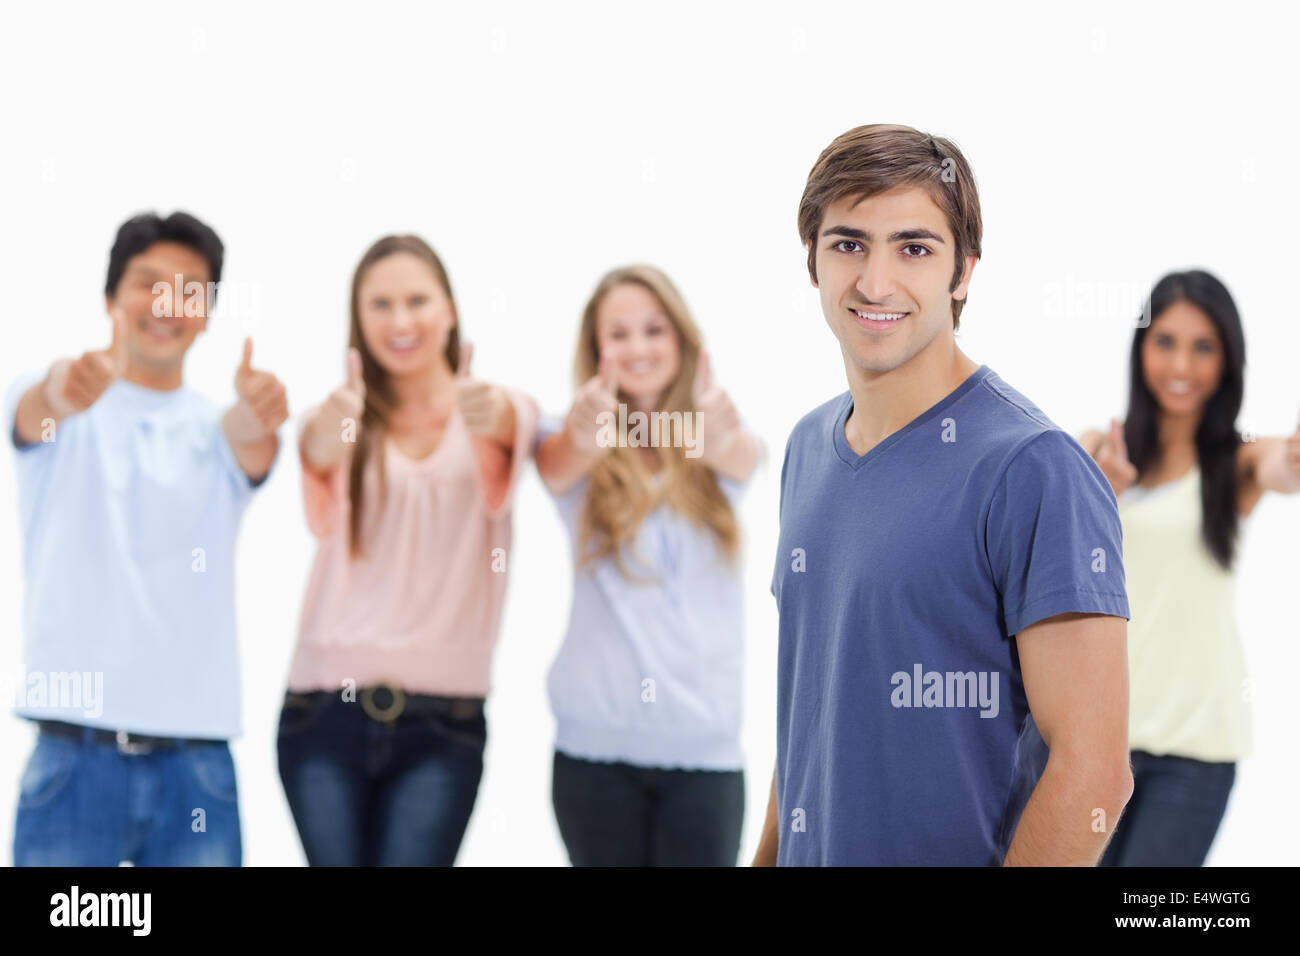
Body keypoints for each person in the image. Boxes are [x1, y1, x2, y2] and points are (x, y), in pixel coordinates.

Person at [752, 124, 1135, 867]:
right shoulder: (807, 447)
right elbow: (810, 719)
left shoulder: (1034, 469)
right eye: (848, 243)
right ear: (812, 262)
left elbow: (1095, 776)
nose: (875, 281)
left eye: (915, 248)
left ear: (964, 272)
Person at [7, 211, 286, 866]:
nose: (168, 303)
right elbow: (38, 409)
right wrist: (62, 387)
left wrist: (257, 416)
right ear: (111, 298)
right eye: (149, 283)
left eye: (190, 289)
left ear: (208, 312)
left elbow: (252, 443)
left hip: (196, 766)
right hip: (72, 761)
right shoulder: (60, 415)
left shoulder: (219, 431)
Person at [277, 234, 538, 866]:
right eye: (381, 305)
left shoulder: (497, 414)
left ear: (449, 310)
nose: (400, 321)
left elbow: (511, 423)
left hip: (442, 727)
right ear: (358, 319)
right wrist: (334, 424)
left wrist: (488, 409)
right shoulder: (339, 417)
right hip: (321, 715)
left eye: (417, 301)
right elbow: (314, 449)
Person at [534, 264, 762, 866]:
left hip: (704, 755)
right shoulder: (571, 444)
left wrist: (713, 440)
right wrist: (587, 436)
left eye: (653, 330)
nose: (637, 347)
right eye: (619, 334)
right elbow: (556, 463)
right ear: (595, 350)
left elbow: (744, 458)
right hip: (594, 755)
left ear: (682, 341)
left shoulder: (720, 439)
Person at [1077, 270, 1300, 867]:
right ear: (1140, 349)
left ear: (1227, 360)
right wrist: (1098, 491)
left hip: (1194, 754)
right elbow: (1043, 541)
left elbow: (1284, 465)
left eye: (1203, 347)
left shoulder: (1238, 462)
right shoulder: (1102, 450)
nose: (1182, 364)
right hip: (1097, 748)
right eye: (1166, 341)